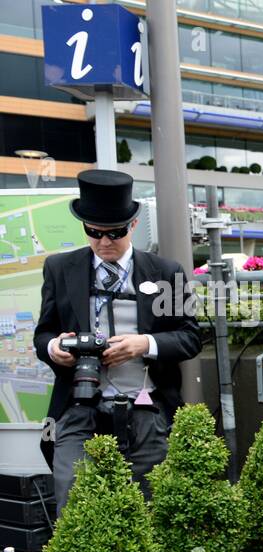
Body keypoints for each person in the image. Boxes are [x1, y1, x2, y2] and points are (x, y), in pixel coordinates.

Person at [34, 169, 200, 514]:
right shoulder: (59, 268)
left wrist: (144, 344)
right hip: (79, 411)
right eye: (93, 232)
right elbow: (43, 333)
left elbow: (190, 336)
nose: (104, 242)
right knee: (75, 507)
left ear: (134, 225)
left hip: (148, 411)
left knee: (151, 509)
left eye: (114, 233)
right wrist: (55, 349)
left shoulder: (167, 271)